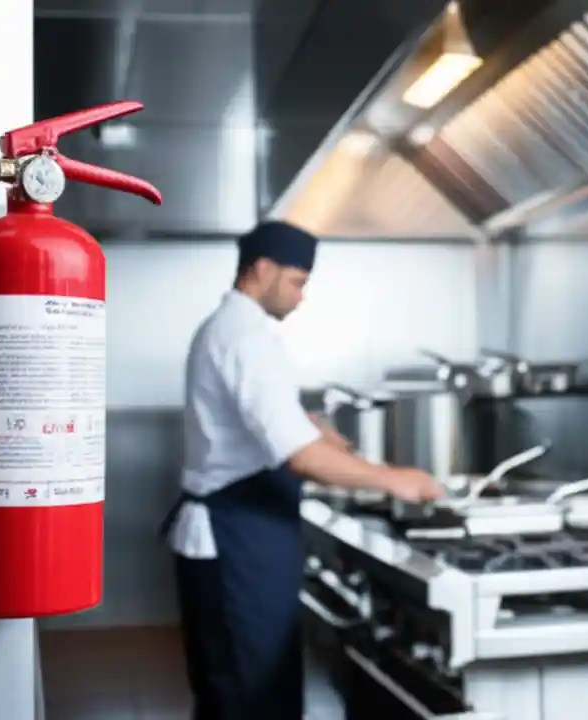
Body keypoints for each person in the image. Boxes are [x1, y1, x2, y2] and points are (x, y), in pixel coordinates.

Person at [160, 220, 444, 719]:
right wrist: (396, 478)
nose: (301, 296)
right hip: (235, 542)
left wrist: (308, 424)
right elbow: (301, 457)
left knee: (237, 691)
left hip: (240, 537)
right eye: (297, 281)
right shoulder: (245, 338)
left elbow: (257, 420)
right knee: (251, 698)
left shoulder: (227, 330)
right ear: (262, 268)